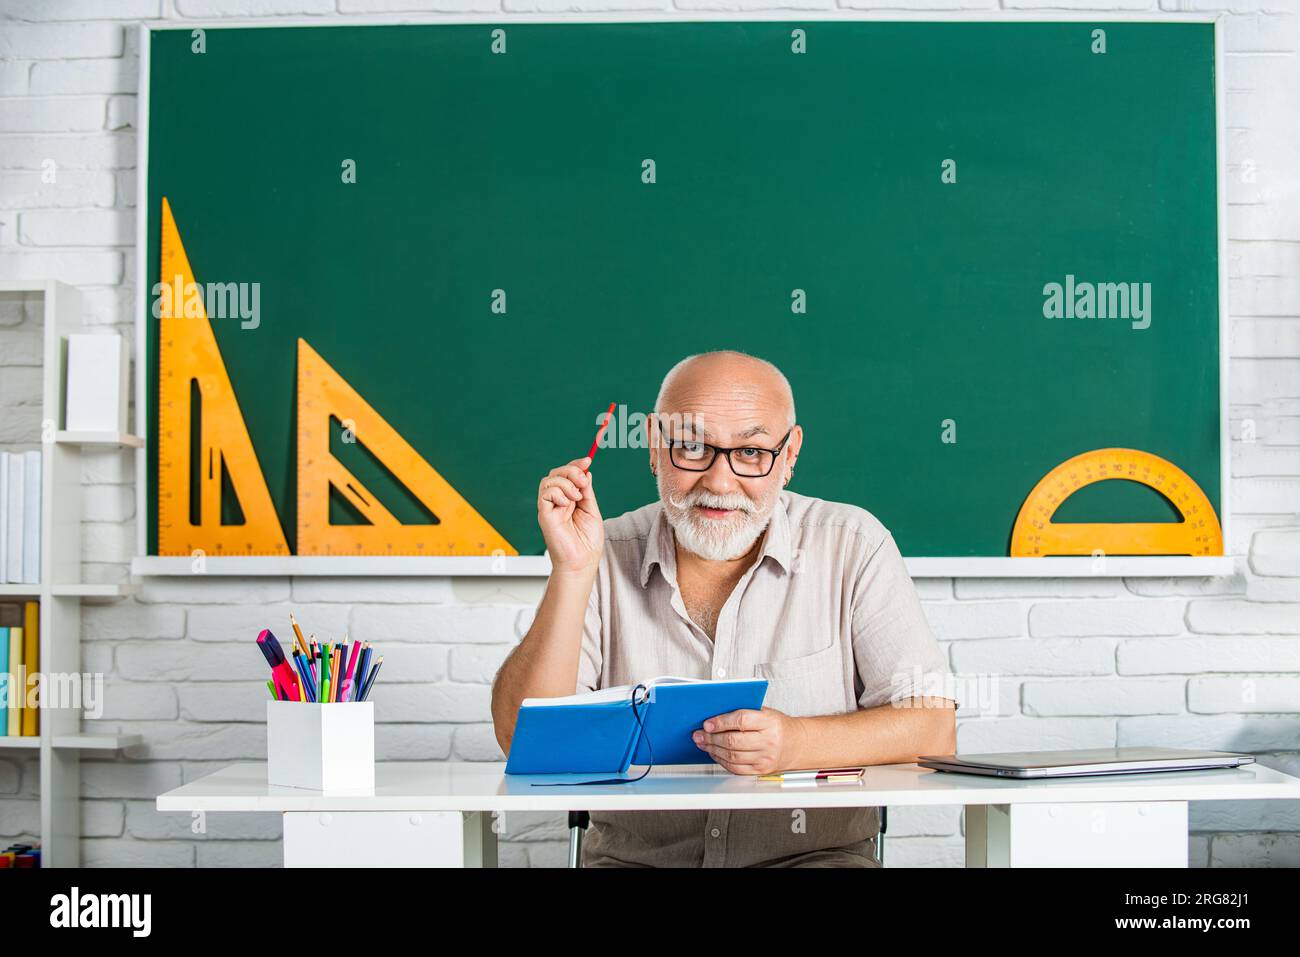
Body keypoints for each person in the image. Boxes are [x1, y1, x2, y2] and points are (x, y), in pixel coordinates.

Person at [491, 350, 956, 867]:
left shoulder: (853, 546)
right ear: (654, 444)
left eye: (752, 452)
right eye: (691, 446)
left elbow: (933, 726)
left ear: (790, 453)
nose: (719, 481)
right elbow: (521, 738)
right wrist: (573, 574)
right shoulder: (600, 553)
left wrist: (797, 742)